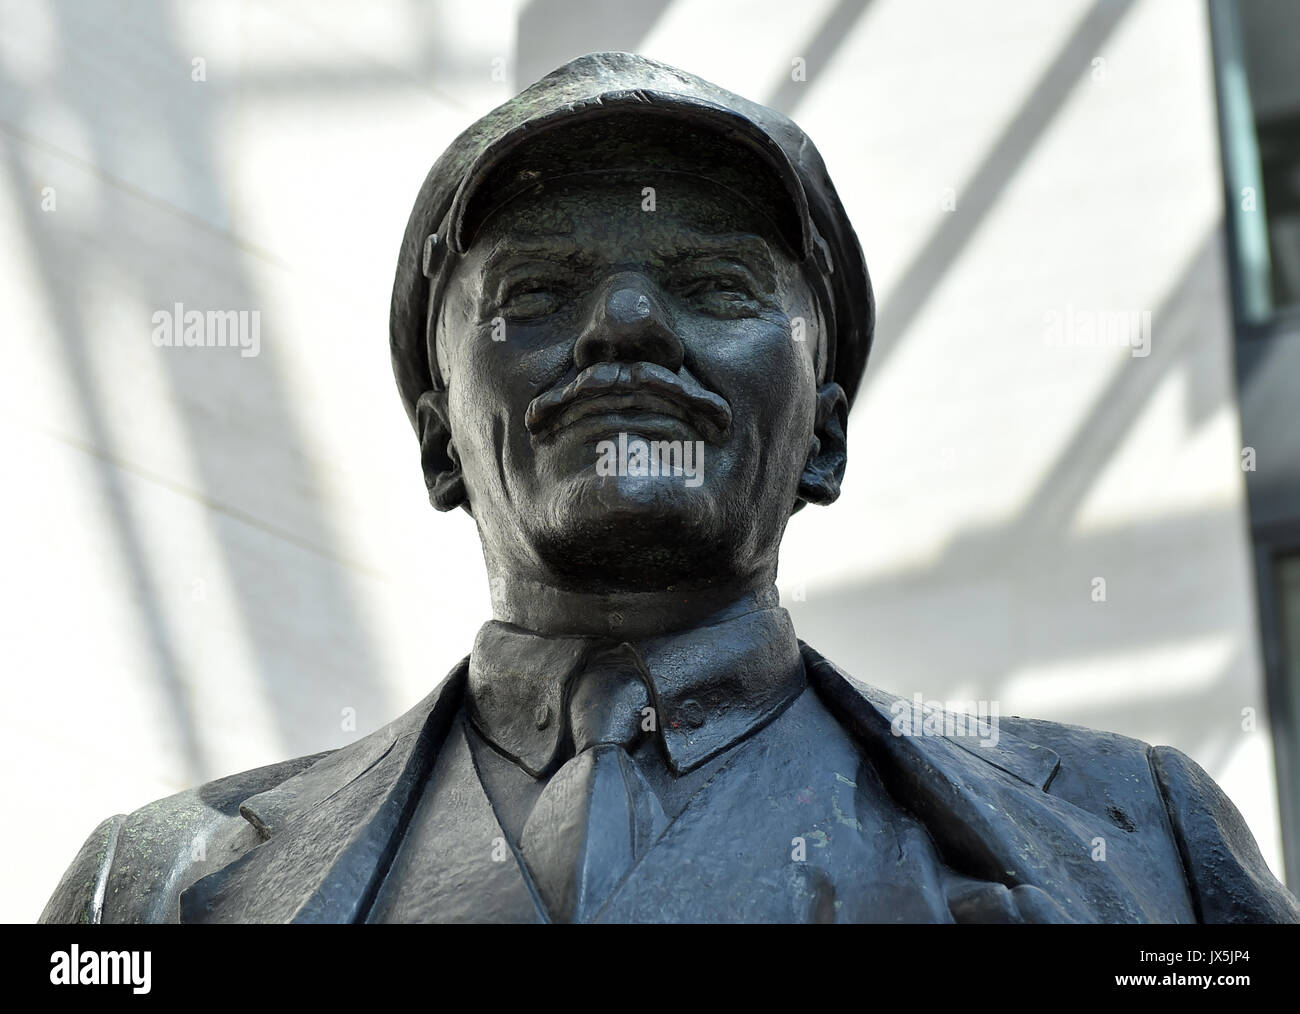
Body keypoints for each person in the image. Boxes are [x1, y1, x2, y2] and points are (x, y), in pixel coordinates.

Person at [41, 52, 1300, 924]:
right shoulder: (156, 891)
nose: (627, 324)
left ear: (825, 433)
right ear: (438, 440)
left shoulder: (1140, 848)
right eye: (536, 292)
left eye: (717, 285)